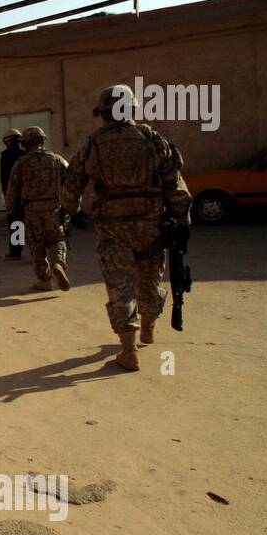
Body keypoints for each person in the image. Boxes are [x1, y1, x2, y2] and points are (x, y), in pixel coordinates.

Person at [62, 85, 192, 371]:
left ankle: (129, 350)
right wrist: (182, 219)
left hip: (112, 227)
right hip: (151, 224)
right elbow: (174, 183)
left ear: (104, 113)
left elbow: (72, 185)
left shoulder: (92, 145)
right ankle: (149, 326)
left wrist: (70, 213)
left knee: (120, 287)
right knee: (149, 278)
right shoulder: (153, 139)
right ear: (132, 109)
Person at [4, 126, 70, 292]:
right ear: (43, 140)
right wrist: (70, 208)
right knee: (57, 239)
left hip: (31, 209)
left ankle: (45, 280)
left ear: (25, 143)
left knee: (36, 244)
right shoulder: (57, 160)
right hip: (54, 207)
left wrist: (11, 210)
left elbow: (13, 189)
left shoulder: (21, 163)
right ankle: (58, 263)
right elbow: (72, 183)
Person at [0, 128, 27, 259]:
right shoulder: (28, 153)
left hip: (14, 196)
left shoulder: (6, 155)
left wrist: (6, 195)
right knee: (35, 225)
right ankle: (39, 253)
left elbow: (4, 178)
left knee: (16, 224)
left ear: (7, 141)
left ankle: (16, 253)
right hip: (30, 195)